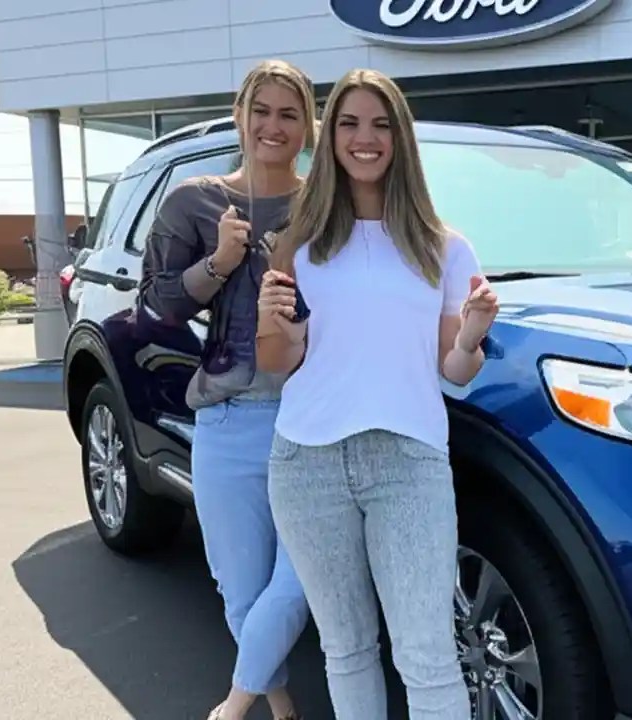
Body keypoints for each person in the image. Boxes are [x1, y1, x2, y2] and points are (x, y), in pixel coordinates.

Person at [254, 68, 499, 720]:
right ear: (330, 137)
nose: (365, 139)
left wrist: (471, 335)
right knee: (347, 647)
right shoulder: (299, 242)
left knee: (426, 654)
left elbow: (454, 370)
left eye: (381, 124)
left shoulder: (443, 246)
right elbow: (279, 362)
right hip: (307, 461)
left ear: (400, 138)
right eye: (350, 123)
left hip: (408, 462)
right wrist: (273, 323)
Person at [137, 59, 318, 720]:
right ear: (240, 115)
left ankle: (233, 706)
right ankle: (280, 705)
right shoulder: (193, 199)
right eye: (261, 110)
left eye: (289, 113)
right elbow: (155, 309)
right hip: (229, 416)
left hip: (312, 419)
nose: (273, 126)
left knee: (303, 581)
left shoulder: (327, 201)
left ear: (307, 126)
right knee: (238, 587)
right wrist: (217, 263)